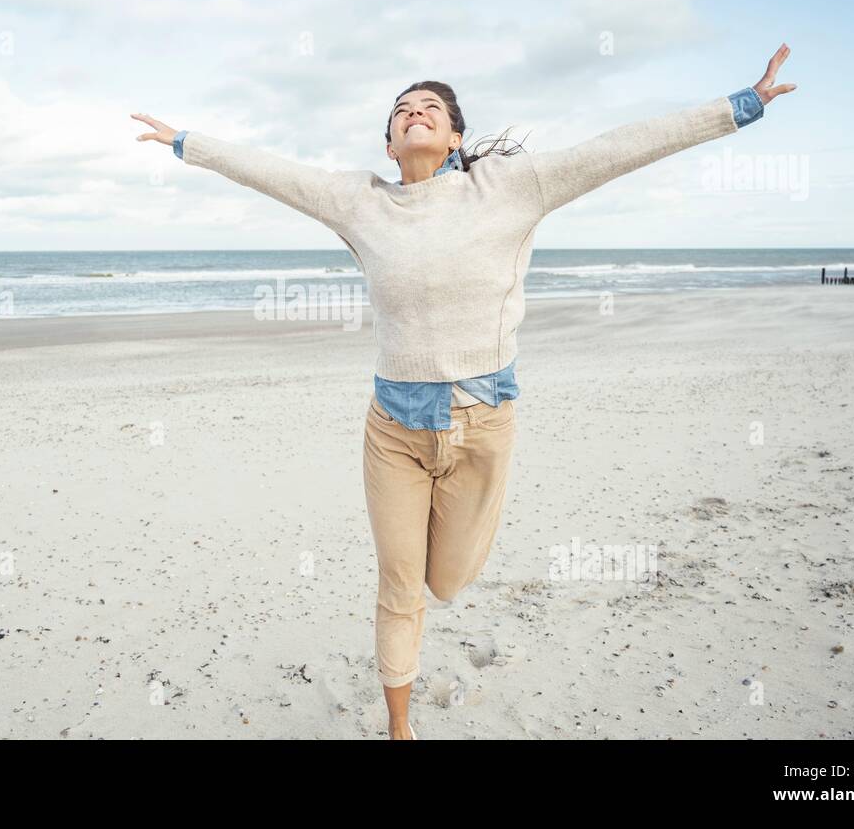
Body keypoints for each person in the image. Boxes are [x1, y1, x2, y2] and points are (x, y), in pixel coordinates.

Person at [132, 44, 796, 740]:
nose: (414, 114)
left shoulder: (511, 187)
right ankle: (399, 728)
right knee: (398, 583)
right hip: (393, 428)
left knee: (444, 582)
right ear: (390, 145)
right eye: (401, 111)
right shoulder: (359, 204)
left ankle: (440, 581)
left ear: (454, 136)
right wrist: (185, 143)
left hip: (484, 427)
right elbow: (271, 173)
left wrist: (742, 105)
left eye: (430, 109)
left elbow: (621, 148)